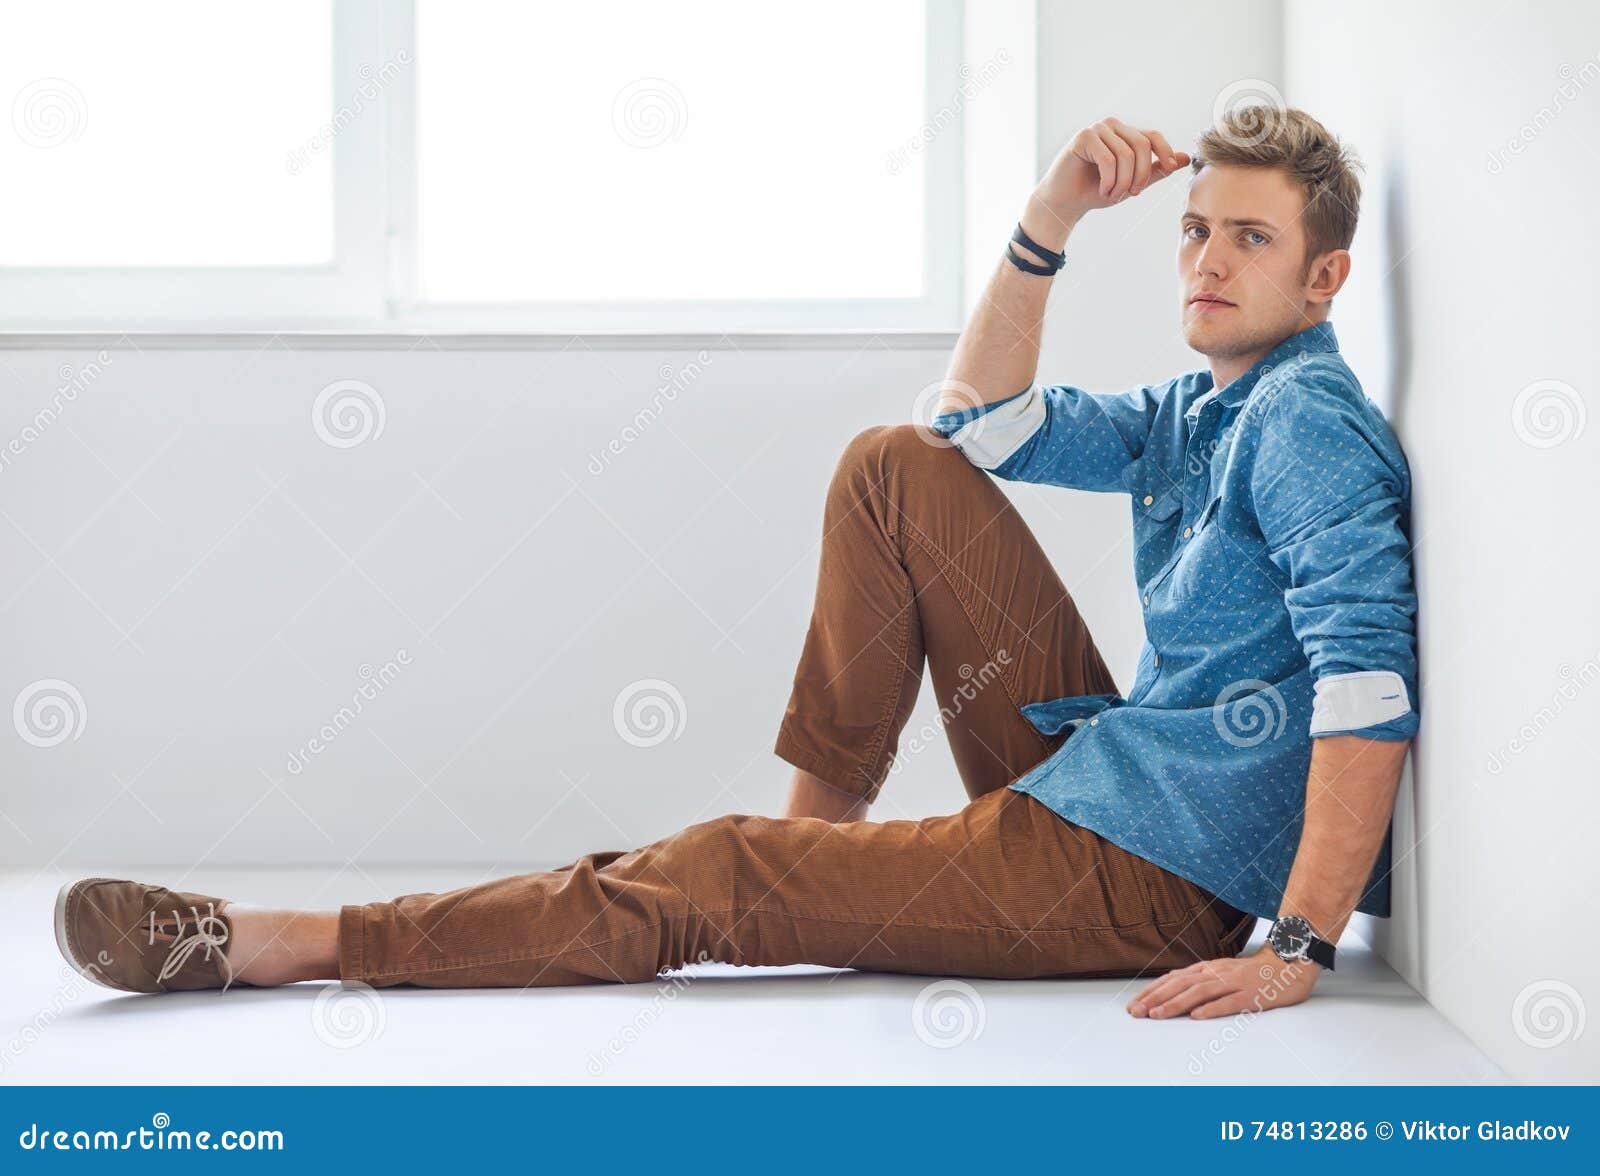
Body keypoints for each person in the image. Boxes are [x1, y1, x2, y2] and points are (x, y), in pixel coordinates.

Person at [54, 105, 1418, 1022]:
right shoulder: (1206, 405)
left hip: (1148, 880)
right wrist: (1050, 215)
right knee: (900, 467)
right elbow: (976, 425)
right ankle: (812, 853)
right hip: (1112, 769)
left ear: (1325, 278)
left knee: (711, 875)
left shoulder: (1304, 421)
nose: (1206, 259)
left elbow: (1369, 684)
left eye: (1251, 239)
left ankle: (295, 943)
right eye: (1197, 227)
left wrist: (1295, 947)